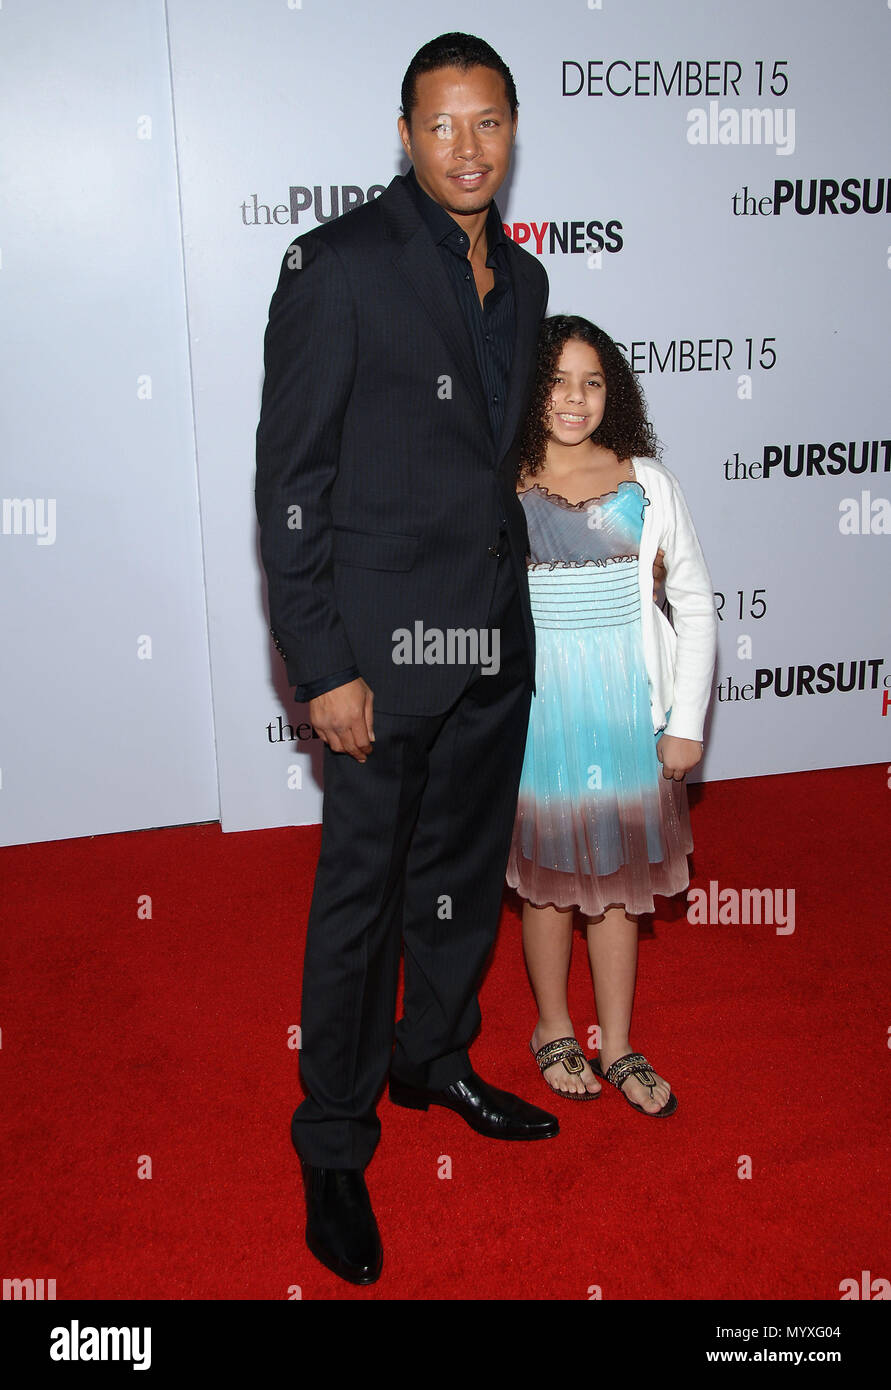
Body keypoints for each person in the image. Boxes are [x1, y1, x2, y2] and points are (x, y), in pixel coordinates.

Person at [254, 34, 559, 1287]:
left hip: (491, 637)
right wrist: (322, 663)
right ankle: (333, 1139)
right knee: (361, 900)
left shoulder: (525, 278)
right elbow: (290, 485)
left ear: (513, 127)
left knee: (463, 873)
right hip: (377, 659)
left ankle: (431, 1055)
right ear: (403, 132)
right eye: (442, 124)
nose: (466, 148)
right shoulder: (337, 267)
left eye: (487, 123)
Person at [506, 315, 717, 1117]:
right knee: (548, 887)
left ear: (613, 393)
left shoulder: (647, 480)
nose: (574, 397)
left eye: (591, 382)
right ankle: (553, 1027)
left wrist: (685, 721)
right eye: (556, 381)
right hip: (539, 715)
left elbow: (692, 602)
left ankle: (618, 1043)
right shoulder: (502, 478)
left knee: (621, 889)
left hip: (629, 710)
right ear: (531, 390)